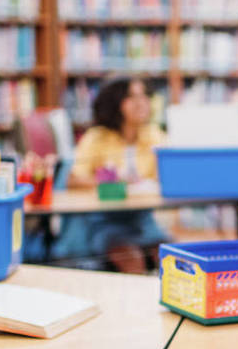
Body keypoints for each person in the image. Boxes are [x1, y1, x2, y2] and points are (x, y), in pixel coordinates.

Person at [54, 76, 165, 274]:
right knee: (131, 259)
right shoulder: (97, 137)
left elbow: (167, 175)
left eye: (144, 96)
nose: (141, 103)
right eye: (132, 97)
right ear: (116, 103)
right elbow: (73, 180)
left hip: (141, 220)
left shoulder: (154, 135)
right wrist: (112, 183)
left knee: (173, 256)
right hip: (104, 221)